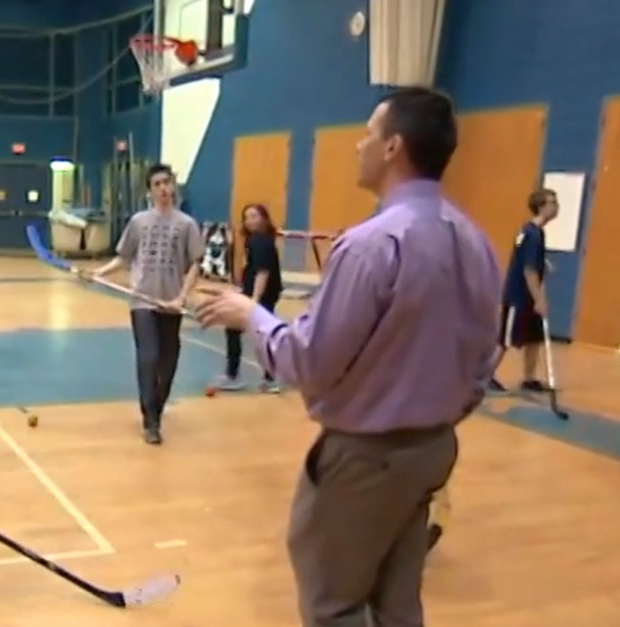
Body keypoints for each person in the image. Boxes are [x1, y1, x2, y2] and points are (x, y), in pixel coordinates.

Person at [197, 87, 499, 627]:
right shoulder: (474, 242)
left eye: (368, 133)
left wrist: (253, 316)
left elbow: (310, 361)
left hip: (365, 459)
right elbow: (484, 359)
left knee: (333, 603)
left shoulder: (371, 245)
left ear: (392, 148)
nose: (359, 144)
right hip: (433, 449)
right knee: (397, 602)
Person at [93, 163, 205, 445]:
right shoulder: (139, 221)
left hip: (171, 302)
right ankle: (150, 421)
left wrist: (182, 297)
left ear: (174, 185)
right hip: (142, 300)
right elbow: (124, 257)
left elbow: (195, 263)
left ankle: (157, 406)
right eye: (157, 184)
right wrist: (100, 272)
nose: (164, 188)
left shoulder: (187, 224)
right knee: (148, 357)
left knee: (167, 363)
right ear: (150, 191)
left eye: (167, 182)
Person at [487, 189, 559, 392]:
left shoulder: (531, 231)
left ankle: (529, 378)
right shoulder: (533, 234)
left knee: (534, 338)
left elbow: (526, 258)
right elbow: (529, 270)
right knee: (505, 340)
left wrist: (543, 263)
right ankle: (486, 375)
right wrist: (540, 300)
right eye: (552, 202)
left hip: (528, 296)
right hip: (518, 296)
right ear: (541, 207)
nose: (556, 206)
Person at [211, 203, 282, 394]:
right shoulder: (258, 240)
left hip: (261, 295)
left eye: (254, 216)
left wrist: (254, 300)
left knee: (246, 331)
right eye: (247, 217)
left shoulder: (260, 242)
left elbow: (263, 272)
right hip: (259, 293)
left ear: (264, 219)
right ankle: (267, 377)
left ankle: (238, 376)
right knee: (250, 332)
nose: (250, 221)